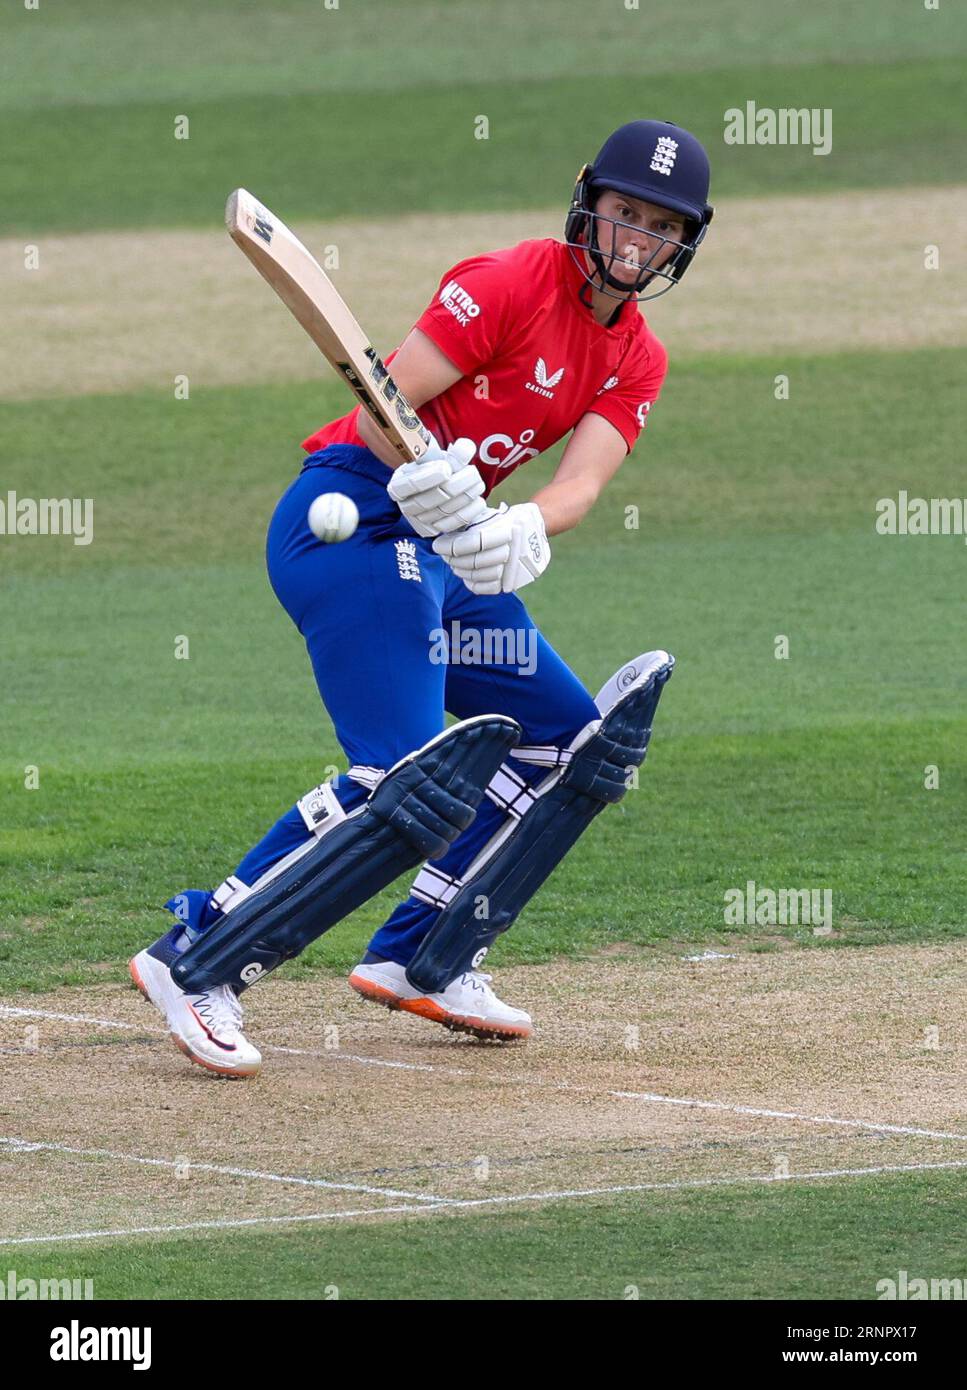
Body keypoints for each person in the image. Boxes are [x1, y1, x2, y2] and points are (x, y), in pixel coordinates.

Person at [129, 119, 714, 1076]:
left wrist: (521, 528)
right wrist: (430, 477)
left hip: (441, 550)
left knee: (567, 743)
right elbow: (383, 402)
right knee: (403, 778)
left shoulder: (635, 354)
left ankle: (428, 953)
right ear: (587, 203)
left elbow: (580, 484)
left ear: (682, 243)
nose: (633, 241)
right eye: (622, 214)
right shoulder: (507, 282)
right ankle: (196, 957)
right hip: (354, 521)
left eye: (658, 227)